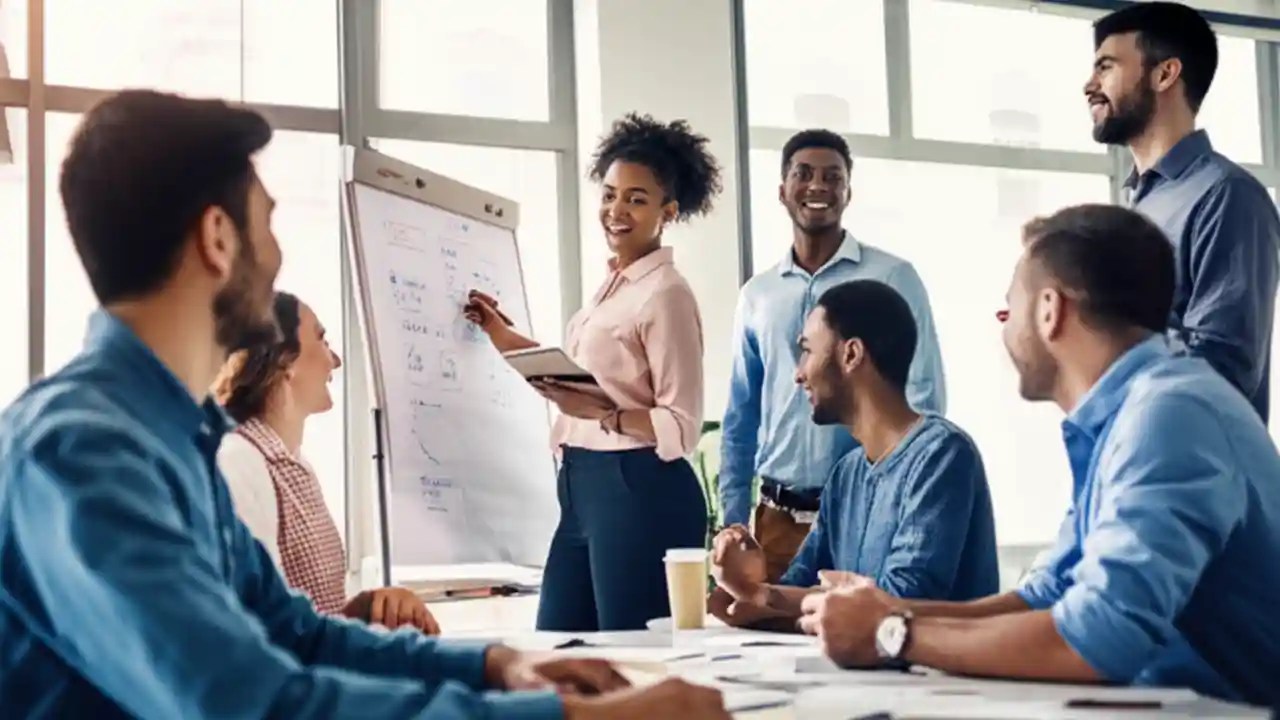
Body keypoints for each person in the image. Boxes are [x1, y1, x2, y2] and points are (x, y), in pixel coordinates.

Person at [0, 89, 729, 719]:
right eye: (269, 222)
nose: (279, 255)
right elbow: (252, 703)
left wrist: (498, 667)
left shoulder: (173, 438)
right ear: (218, 240)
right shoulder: (82, 452)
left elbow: (296, 634)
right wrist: (564, 716)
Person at [797, 204, 1280, 707]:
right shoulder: (1125, 415)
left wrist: (892, 634)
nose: (1004, 332)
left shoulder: (1170, 413)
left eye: (1009, 311)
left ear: (1050, 311)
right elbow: (1048, 595)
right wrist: (888, 612)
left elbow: (1099, 638)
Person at [465, 112, 720, 632]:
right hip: (581, 487)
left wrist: (606, 416)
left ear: (666, 211)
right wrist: (500, 334)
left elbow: (681, 424)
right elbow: (582, 383)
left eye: (636, 198)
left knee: (630, 661)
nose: (616, 209)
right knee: (560, 646)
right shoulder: (613, 288)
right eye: (609, 194)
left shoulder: (666, 293)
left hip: (638, 489)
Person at [720, 129, 947, 582]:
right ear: (782, 191)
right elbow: (741, 415)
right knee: (765, 638)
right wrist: (733, 518)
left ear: (848, 192)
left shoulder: (893, 277)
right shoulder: (757, 295)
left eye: (833, 176)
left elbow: (924, 397)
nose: (818, 186)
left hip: (862, 513)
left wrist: (897, 498)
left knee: (869, 639)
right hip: (776, 523)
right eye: (803, 174)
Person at [709, 280, 997, 631]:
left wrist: (767, 598)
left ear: (851, 354)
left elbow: (899, 602)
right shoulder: (846, 475)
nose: (799, 374)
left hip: (933, 682)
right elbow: (797, 588)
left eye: (807, 351)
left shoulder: (942, 456)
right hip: (860, 679)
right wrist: (746, 586)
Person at [1086, 1, 1280, 420]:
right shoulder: (1140, 202)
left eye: (1106, 67)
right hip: (1139, 458)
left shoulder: (1228, 196)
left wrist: (1093, 331)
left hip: (1197, 472)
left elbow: (1224, 365)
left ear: (1164, 74)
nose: (1089, 85)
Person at [213, 290, 441, 633]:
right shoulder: (239, 462)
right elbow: (259, 629)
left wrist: (361, 609)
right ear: (284, 361)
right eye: (321, 340)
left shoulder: (295, 465)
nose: (335, 359)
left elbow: (311, 616)